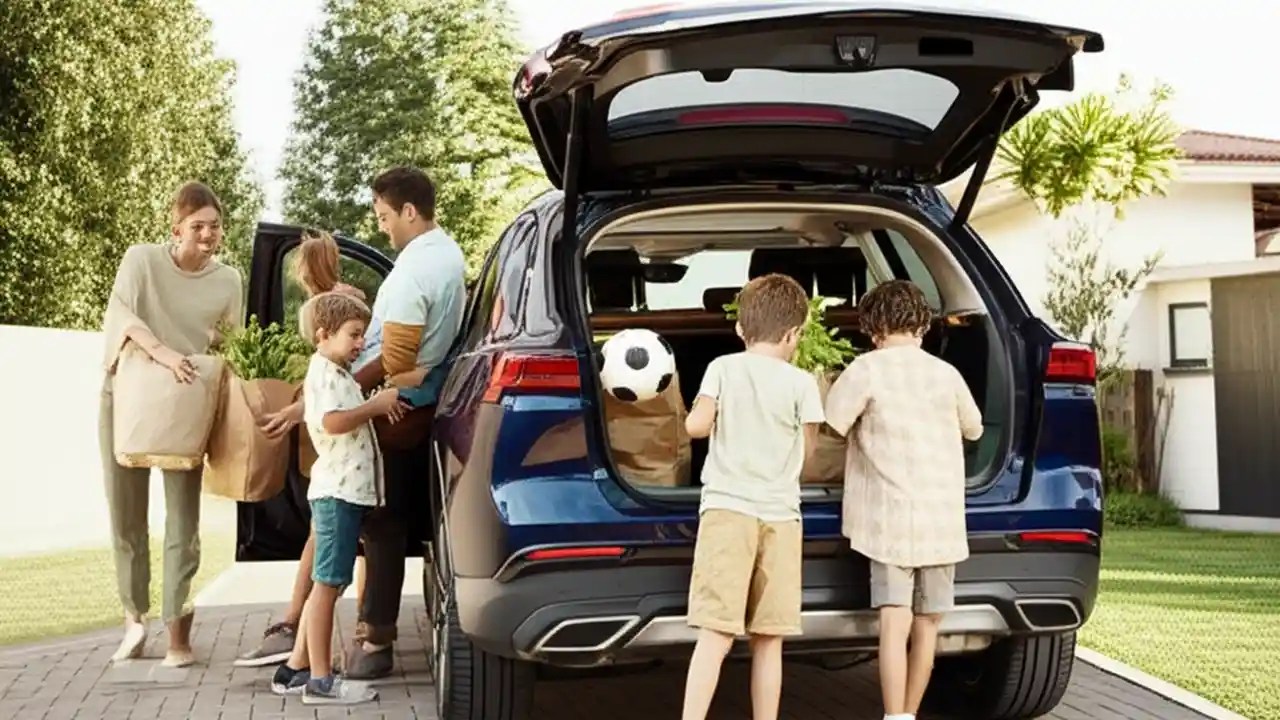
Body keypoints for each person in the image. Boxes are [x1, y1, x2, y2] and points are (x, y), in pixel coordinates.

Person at [246, 166, 466, 678]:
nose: (383, 227)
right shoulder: (442, 256)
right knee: (365, 527)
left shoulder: (416, 272)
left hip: (396, 412)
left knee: (381, 524)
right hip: (398, 402)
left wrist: (339, 380)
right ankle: (303, 648)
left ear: (410, 211)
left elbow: (395, 355)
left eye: (386, 217)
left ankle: (369, 642)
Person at [823, 280, 984, 720]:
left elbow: (831, 424)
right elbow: (975, 429)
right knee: (928, 625)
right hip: (940, 522)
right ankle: (909, 713)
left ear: (873, 328)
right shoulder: (945, 373)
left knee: (893, 626)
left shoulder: (866, 370)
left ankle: (893, 714)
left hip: (887, 521)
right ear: (922, 325)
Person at [99, 181, 243, 667]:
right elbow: (123, 318)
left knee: (184, 518)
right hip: (128, 396)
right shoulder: (141, 260)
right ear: (175, 227)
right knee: (126, 513)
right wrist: (164, 354)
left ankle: (177, 635)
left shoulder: (228, 280)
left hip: (186, 401)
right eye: (197, 226)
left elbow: (230, 345)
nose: (207, 235)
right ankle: (133, 622)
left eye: (214, 226)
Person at [679, 273, 825, 720]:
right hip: (781, 516)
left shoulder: (722, 367)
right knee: (769, 638)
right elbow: (811, 453)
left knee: (715, 634)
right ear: (794, 334)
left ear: (740, 329)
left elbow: (695, 427)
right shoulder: (804, 383)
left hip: (728, 510)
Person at [270, 292, 402, 704]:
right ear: (324, 335)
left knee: (328, 585)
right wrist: (375, 405)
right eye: (354, 334)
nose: (361, 342)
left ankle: (295, 669)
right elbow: (332, 421)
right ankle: (322, 681)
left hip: (346, 494)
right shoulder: (325, 374)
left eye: (363, 334)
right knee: (327, 587)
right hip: (338, 495)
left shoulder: (338, 372)